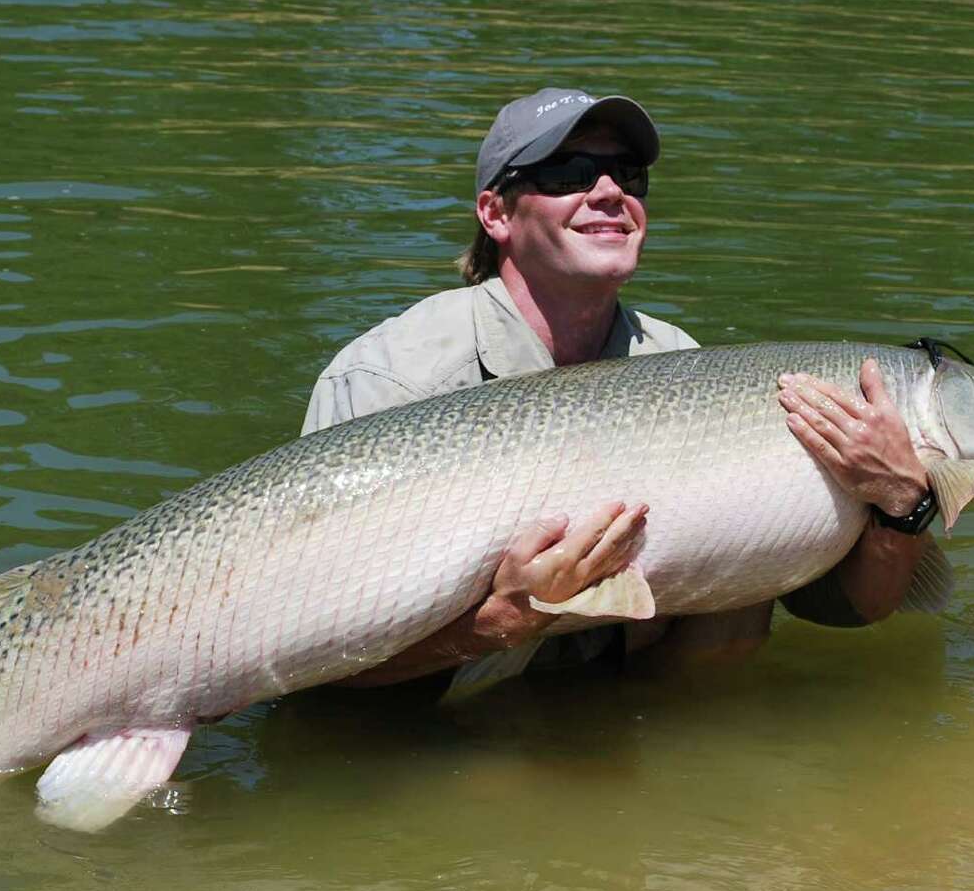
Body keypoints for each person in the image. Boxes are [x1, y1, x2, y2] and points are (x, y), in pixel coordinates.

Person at [302, 88, 933, 688]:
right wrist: (502, 623)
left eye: (628, 176)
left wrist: (903, 504)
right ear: (495, 213)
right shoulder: (389, 379)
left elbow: (841, 607)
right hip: (416, 725)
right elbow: (305, 667)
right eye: (567, 173)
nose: (609, 192)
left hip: (631, 710)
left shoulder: (678, 360)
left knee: (744, 592)